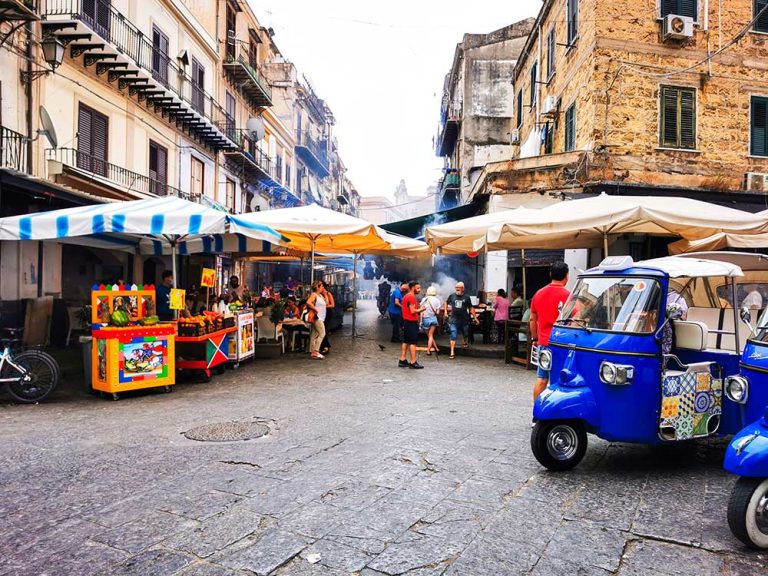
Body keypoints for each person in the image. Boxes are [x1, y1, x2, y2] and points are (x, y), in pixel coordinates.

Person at [530, 260, 570, 401]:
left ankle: (537, 410)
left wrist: (535, 338)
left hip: (543, 343)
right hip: (562, 344)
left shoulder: (538, 294)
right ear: (567, 276)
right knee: (559, 379)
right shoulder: (569, 296)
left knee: (542, 378)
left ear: (550, 274)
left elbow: (532, 319)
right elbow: (576, 318)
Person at [444, 281, 479, 359]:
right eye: (456, 288)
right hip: (454, 319)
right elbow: (446, 302)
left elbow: (471, 307)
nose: (457, 289)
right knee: (453, 334)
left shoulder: (467, 297)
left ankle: (465, 341)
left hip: (464, 319)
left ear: (463, 288)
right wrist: (445, 311)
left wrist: (475, 318)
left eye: (458, 288)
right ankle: (452, 352)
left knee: (465, 333)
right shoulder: (452, 296)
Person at [399, 281, 425, 369]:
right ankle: (413, 362)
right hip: (411, 322)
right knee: (413, 342)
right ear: (413, 288)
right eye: (418, 288)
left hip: (406, 321)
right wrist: (422, 309)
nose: (419, 290)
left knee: (406, 341)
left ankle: (402, 360)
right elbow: (413, 311)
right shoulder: (411, 297)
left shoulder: (406, 296)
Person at [306, 281, 328, 360]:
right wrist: (315, 309)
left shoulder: (320, 295)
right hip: (317, 317)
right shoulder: (314, 295)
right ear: (317, 287)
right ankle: (316, 351)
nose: (323, 287)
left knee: (314, 334)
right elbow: (308, 302)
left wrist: (325, 294)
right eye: (321, 286)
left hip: (321, 317)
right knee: (322, 333)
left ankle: (312, 352)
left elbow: (326, 303)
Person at [420, 286, 442, 355]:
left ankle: (428, 351)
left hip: (426, 319)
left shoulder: (424, 300)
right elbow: (438, 312)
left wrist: (421, 321)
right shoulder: (437, 300)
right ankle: (437, 349)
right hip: (433, 319)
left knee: (429, 336)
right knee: (431, 336)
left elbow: (421, 311)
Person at [319, 281, 335, 355]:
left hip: (327, 313)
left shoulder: (328, 293)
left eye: (320, 285)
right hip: (320, 313)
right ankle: (323, 346)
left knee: (323, 329)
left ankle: (326, 346)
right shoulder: (318, 294)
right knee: (321, 330)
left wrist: (324, 306)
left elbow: (332, 305)